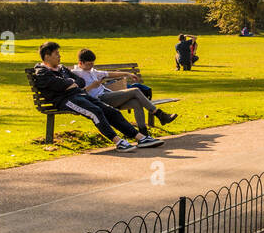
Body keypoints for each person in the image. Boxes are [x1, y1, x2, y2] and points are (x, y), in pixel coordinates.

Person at [31, 42, 163, 151]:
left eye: (59, 54)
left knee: (112, 111)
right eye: (56, 54)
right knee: (96, 112)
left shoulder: (62, 69)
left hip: (79, 95)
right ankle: (118, 142)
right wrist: (71, 83)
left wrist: (71, 83)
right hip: (65, 100)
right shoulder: (42, 72)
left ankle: (140, 138)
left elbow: (80, 81)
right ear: (47, 56)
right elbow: (60, 85)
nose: (59, 56)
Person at [73, 49, 177, 127]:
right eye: (89, 64)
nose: (92, 66)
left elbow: (110, 74)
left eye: (93, 63)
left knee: (136, 103)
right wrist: (92, 86)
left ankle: (144, 134)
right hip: (99, 99)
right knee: (135, 90)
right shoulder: (76, 74)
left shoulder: (92, 71)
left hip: (108, 96)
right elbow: (75, 93)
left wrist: (127, 73)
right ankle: (159, 115)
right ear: (80, 63)